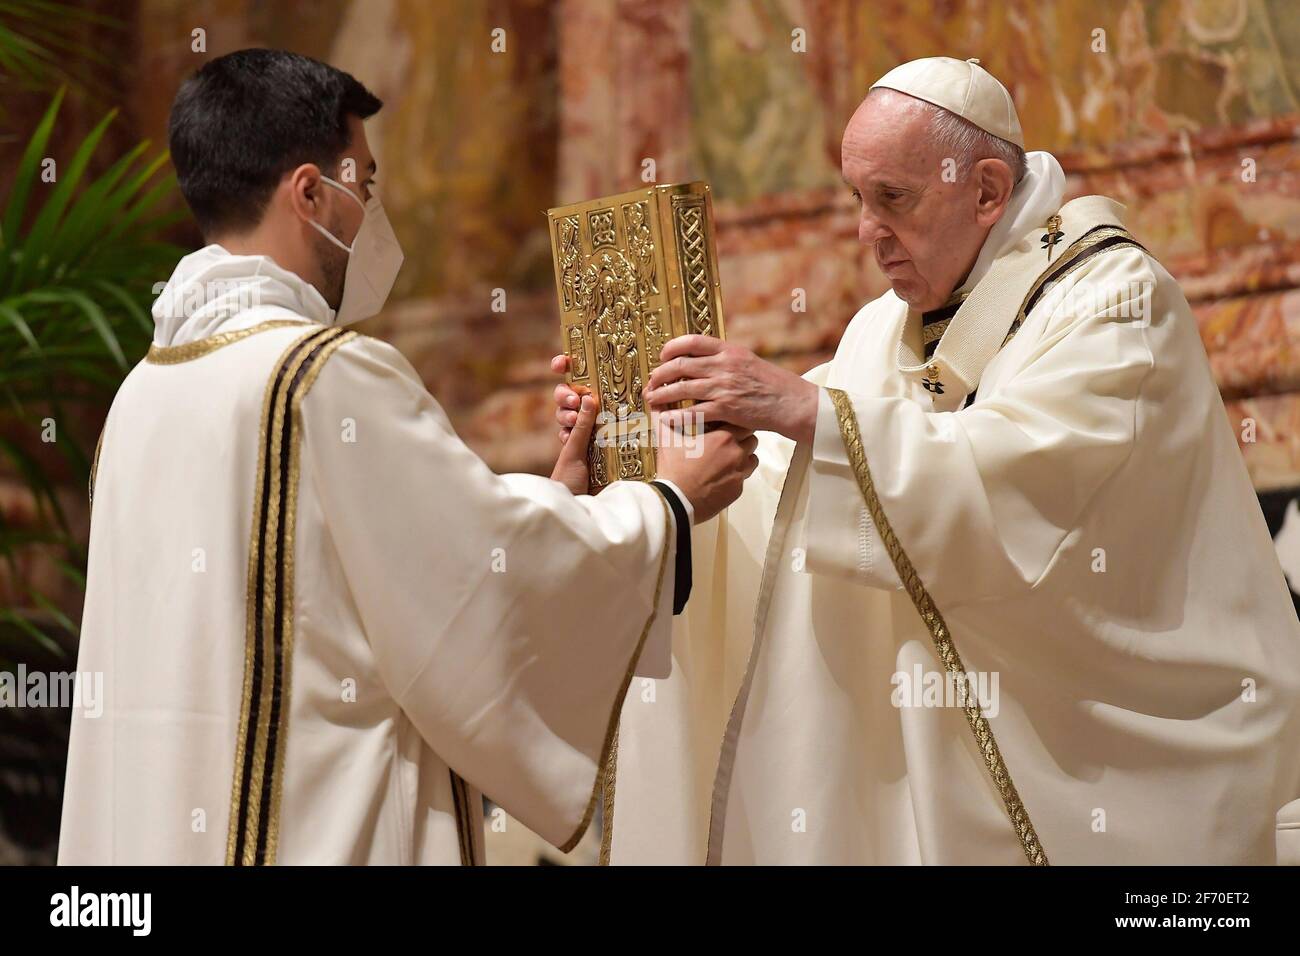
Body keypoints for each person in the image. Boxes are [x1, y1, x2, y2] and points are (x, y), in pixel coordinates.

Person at [553, 56, 1300, 864]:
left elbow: (1021, 479)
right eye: (856, 199)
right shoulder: (882, 328)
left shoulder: (1113, 299)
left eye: (893, 200)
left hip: (1114, 747)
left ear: (985, 190)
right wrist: (650, 461)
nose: (868, 233)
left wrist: (802, 408)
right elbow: (777, 494)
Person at [58, 48, 756, 865]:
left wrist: (561, 501)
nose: (370, 216)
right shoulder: (319, 376)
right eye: (366, 185)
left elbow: (371, 575)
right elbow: (472, 606)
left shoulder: (142, 393)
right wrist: (664, 506)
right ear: (310, 192)